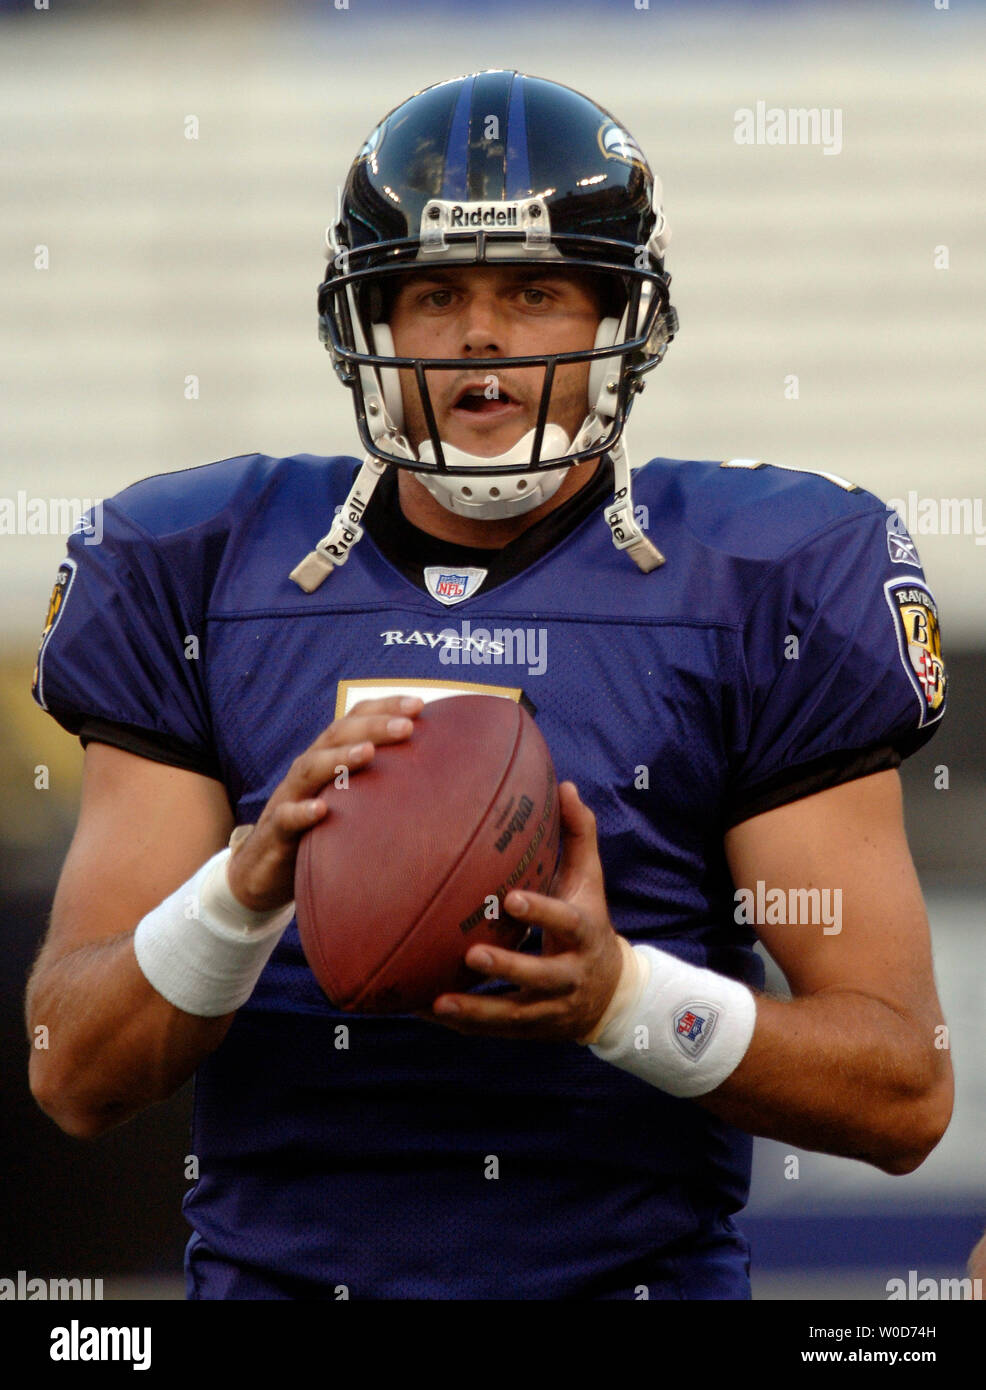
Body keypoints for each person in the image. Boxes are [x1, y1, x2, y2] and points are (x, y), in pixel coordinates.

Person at [26, 70, 952, 1300]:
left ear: (623, 315)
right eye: (433, 292)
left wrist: (622, 998)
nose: (480, 335)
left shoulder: (761, 577)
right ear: (370, 324)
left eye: (533, 289)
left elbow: (900, 1090)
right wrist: (241, 892)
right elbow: (73, 1071)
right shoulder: (197, 564)